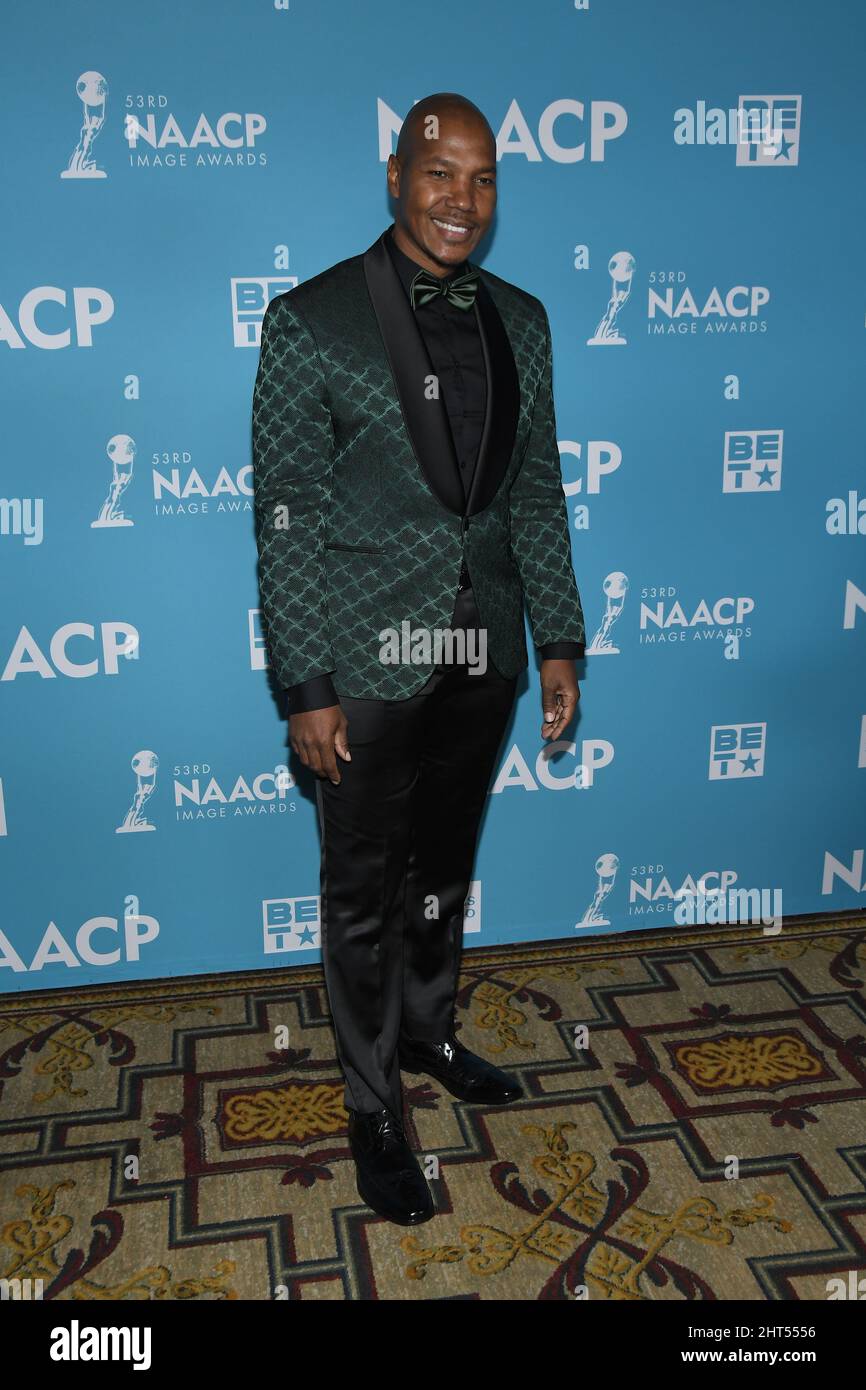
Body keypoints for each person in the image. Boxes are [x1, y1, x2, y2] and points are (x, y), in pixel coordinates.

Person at [252, 92, 585, 1226]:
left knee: (443, 866)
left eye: (482, 179)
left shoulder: (524, 321)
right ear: (394, 175)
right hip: (364, 660)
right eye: (440, 173)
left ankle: (430, 1029)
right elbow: (286, 510)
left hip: (481, 648)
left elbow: (535, 493)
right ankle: (368, 1100)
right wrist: (305, 683)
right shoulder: (311, 319)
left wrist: (558, 641)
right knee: (361, 894)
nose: (461, 200)